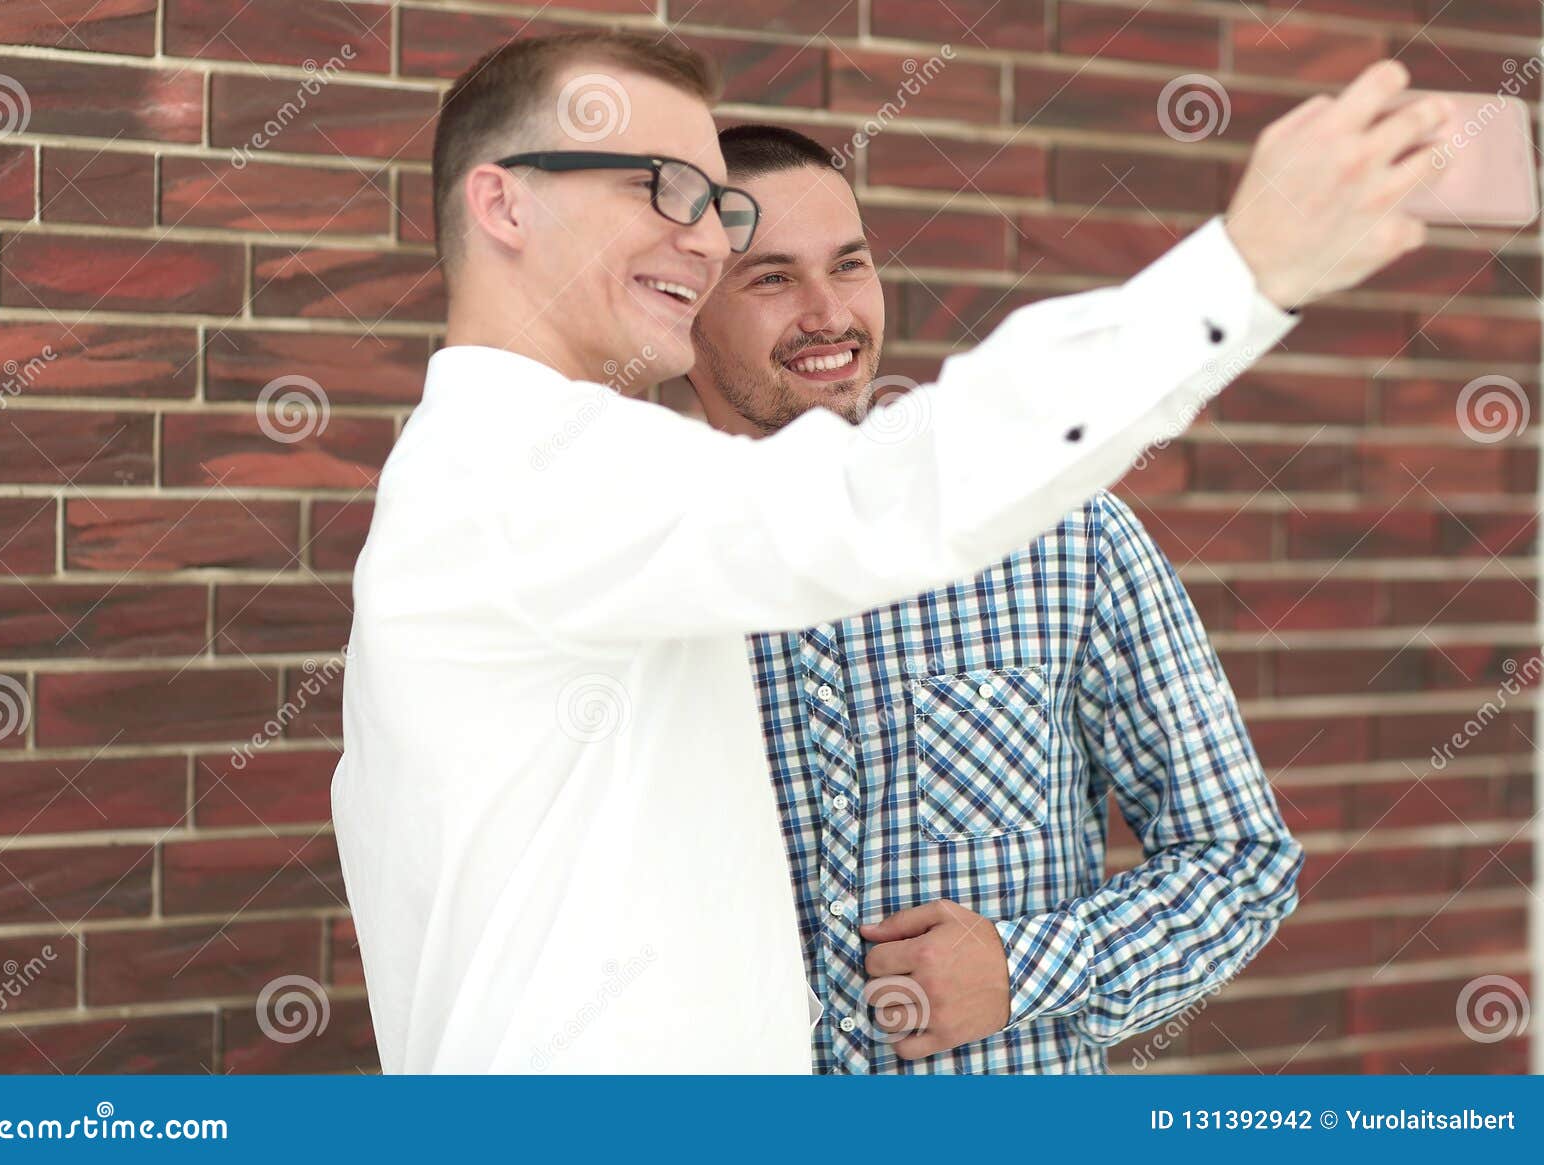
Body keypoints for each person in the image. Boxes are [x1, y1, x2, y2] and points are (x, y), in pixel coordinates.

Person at [328, 27, 1453, 1072]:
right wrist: (1242, 271)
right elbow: (881, 500)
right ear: (504, 204)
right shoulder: (529, 477)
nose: (700, 237)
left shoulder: (617, 498)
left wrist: (1026, 970)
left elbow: (1233, 857)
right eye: (662, 189)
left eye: (716, 209)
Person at [685, 124, 1304, 1073]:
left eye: (848, 266)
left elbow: (1240, 862)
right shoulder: (642, 568)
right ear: (684, 306)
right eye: (770, 278)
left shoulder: (1061, 536)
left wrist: (1025, 968)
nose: (827, 313)